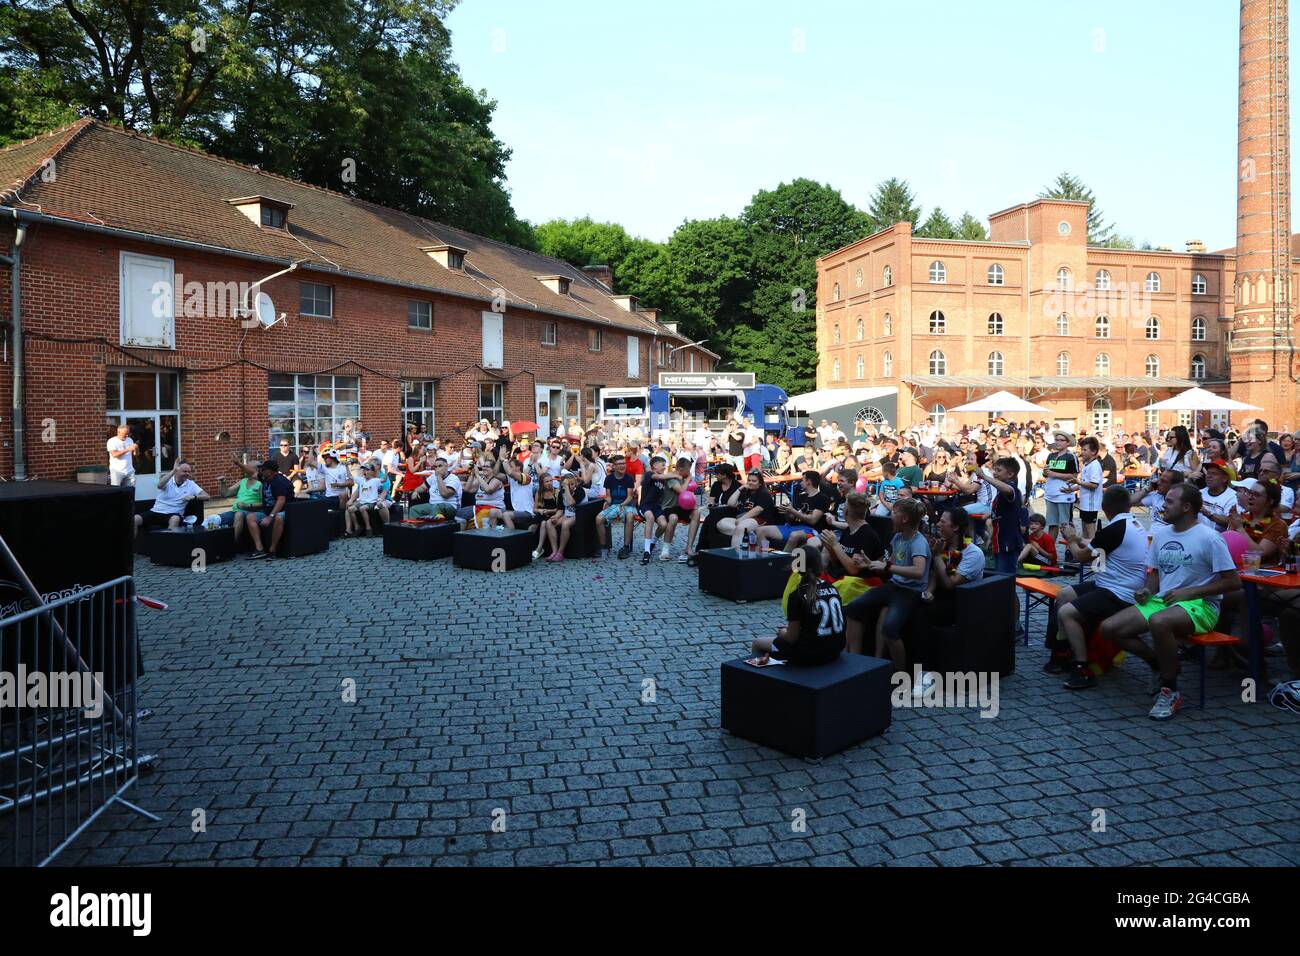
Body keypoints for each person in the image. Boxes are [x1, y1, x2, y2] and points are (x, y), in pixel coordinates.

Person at [1098, 483, 1241, 719]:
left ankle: (1170, 689)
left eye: (1170, 501)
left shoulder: (1210, 537)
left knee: (1159, 621)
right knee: (1109, 628)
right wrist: (1147, 590)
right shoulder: (1163, 533)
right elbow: (1155, 572)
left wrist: (1191, 592)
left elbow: (1233, 582)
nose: (1163, 504)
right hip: (1165, 601)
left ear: (1186, 507)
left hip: (1202, 606)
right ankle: (1158, 663)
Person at [1049, 484, 1150, 684]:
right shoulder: (1133, 523)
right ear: (1128, 506)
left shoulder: (1114, 529)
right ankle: (1063, 651)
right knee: (1064, 594)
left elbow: (1080, 557)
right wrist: (1078, 538)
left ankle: (1082, 667)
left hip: (1120, 593)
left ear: (1105, 506)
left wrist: (1070, 539)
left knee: (1066, 612)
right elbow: (1100, 545)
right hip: (1114, 585)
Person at [843, 498, 932, 666]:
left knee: (890, 629)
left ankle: (900, 674)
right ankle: (854, 660)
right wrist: (869, 564)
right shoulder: (898, 537)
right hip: (894, 586)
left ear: (904, 519)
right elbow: (888, 565)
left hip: (910, 592)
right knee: (853, 607)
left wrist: (888, 567)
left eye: (894, 513)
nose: (891, 516)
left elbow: (918, 571)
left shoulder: (918, 542)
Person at [751, 545, 845, 665]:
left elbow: (791, 638)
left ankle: (757, 680)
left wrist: (782, 632)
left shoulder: (797, 595)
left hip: (810, 653)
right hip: (835, 649)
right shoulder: (832, 588)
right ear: (819, 564)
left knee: (758, 643)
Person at [136, 460, 209, 535]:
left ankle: (169, 544)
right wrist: (173, 471)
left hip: (173, 514)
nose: (187, 474)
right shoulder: (168, 480)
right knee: (135, 519)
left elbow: (207, 496)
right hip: (156, 511)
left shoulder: (191, 484)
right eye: (185, 471)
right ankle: (131, 545)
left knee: (175, 519)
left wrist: (194, 497)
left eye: (189, 472)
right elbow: (159, 485)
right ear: (177, 471)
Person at [1228, 478, 1288, 565]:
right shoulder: (1242, 518)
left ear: (1270, 501)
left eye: (1256, 494)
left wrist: (1240, 529)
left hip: (1262, 575)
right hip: (1236, 570)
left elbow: (1259, 554)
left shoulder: (1278, 525)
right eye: (1249, 492)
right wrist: (1232, 526)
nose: (1250, 497)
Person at [637, 455, 680, 564]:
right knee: (650, 518)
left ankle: (652, 543)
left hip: (656, 507)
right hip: (645, 506)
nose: (665, 467)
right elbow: (659, 477)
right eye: (663, 465)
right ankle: (646, 552)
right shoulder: (649, 474)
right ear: (654, 466)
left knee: (664, 525)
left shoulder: (663, 480)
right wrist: (675, 475)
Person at [247, 460, 293, 558]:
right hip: (268, 511)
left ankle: (272, 549)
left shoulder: (279, 481)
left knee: (279, 518)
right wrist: (238, 463)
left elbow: (281, 500)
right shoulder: (265, 478)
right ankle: (260, 549)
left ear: (270, 471)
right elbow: (251, 473)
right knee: (250, 517)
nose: (260, 471)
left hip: (285, 510)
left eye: (263, 469)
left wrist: (270, 517)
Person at [1042, 430, 1079, 543]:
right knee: (1052, 524)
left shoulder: (1071, 456)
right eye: (1056, 440)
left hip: (1064, 493)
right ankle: (1051, 551)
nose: (1057, 442)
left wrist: (1055, 474)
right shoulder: (1051, 455)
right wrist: (1045, 472)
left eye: (1061, 440)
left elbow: (1074, 475)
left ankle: (1071, 550)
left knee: (1065, 525)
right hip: (1050, 493)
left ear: (1067, 443)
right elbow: (1046, 473)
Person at [225, 457, 263, 549]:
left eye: (248, 467)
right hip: (234, 511)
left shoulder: (261, 482)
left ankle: (231, 546)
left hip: (249, 512)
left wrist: (238, 463)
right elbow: (226, 493)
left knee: (238, 515)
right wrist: (222, 482)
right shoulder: (243, 481)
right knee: (214, 519)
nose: (245, 470)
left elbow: (264, 503)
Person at [1072, 436, 1104, 539]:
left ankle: (1093, 552)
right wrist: (1071, 489)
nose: (1082, 452)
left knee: (1090, 530)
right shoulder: (1086, 464)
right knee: (1085, 528)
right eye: (1082, 449)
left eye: (1085, 450)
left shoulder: (1094, 465)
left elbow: (1094, 485)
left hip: (1091, 503)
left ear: (1094, 451)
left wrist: (1078, 482)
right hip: (1085, 503)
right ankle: (1086, 551)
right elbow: (1084, 483)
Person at [465, 458, 506, 529]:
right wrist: (472, 475)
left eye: (487, 466)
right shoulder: (482, 479)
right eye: (483, 466)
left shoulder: (497, 479)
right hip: (479, 507)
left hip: (495, 507)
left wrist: (477, 475)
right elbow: (467, 489)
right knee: (462, 513)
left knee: (482, 514)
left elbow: (488, 490)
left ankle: (481, 535)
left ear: (493, 469)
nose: (484, 468)